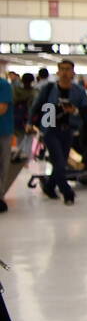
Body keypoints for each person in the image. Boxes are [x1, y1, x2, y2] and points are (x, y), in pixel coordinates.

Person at [29, 59, 87, 206]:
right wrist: (30, 123)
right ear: (57, 72)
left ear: (73, 72)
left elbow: (86, 111)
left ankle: (49, 187)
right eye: (62, 69)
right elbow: (36, 106)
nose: (64, 72)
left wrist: (74, 111)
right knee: (60, 162)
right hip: (50, 130)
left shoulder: (79, 91)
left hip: (68, 130)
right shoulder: (49, 89)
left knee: (60, 162)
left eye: (68, 69)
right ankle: (67, 192)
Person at [0, 66, 12, 214]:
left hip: (3, 131)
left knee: (2, 165)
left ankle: (0, 196)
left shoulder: (3, 85)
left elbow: (2, 108)